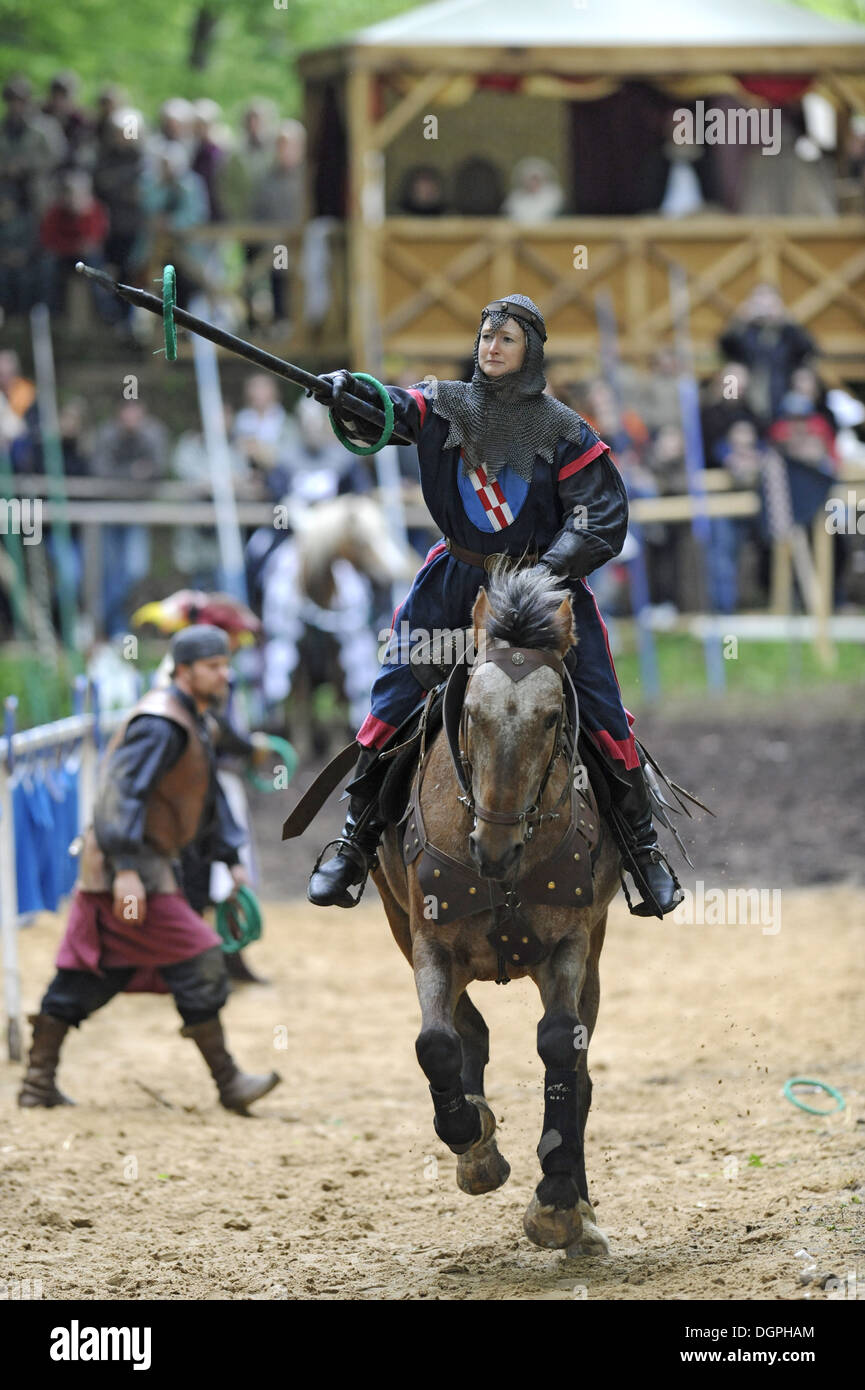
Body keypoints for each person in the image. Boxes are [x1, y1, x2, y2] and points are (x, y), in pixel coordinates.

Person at [306, 293, 684, 918]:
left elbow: (600, 517)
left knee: (605, 713)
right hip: (456, 582)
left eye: (506, 338)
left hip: (541, 588)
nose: (491, 347)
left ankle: (643, 853)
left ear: (530, 350)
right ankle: (356, 841)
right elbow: (394, 410)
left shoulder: (564, 430)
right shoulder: (446, 404)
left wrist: (548, 572)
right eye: (486, 336)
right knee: (394, 700)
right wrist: (350, 391)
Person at [18, 625, 281, 1112]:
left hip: (145, 868)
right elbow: (119, 796)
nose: (224, 675)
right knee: (200, 955)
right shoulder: (160, 722)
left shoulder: (195, 717)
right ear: (184, 671)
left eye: (226, 665)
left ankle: (37, 1082)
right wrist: (125, 871)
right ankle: (229, 1083)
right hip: (126, 873)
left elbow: (202, 802)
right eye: (213, 667)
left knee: (100, 973)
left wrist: (229, 859)